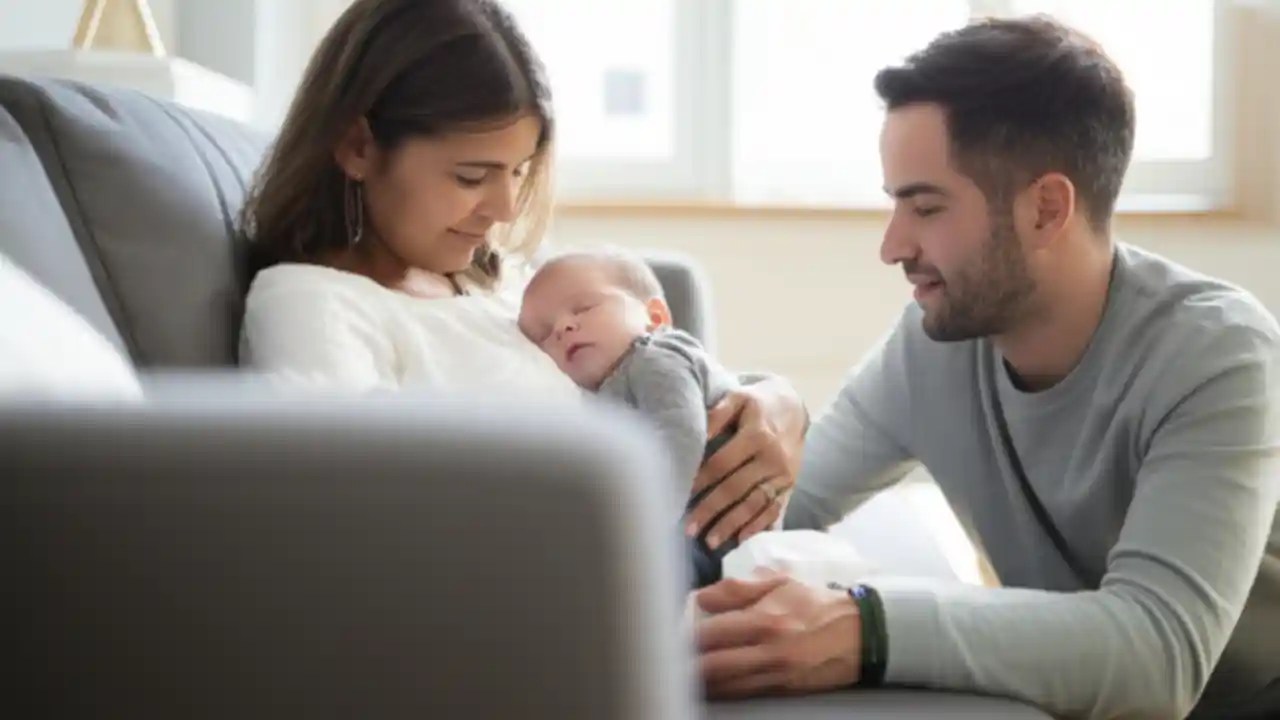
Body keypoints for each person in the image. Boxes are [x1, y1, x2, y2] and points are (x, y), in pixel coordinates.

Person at [693, 16, 1280, 720]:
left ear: (1046, 209)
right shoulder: (934, 344)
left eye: (926, 206)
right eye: (895, 205)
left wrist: (865, 629)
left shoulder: (1218, 353)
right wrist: (770, 401)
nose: (892, 246)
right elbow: (778, 507)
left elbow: (1160, 656)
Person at [237, 0, 805, 551]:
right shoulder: (312, 304)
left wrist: (779, 401)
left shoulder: (498, 281)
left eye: (518, 172)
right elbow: (353, 519)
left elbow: (646, 363)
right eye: (470, 176)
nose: (506, 209)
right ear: (358, 147)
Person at [519, 248, 769, 587]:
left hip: (719, 523)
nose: (563, 327)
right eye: (543, 334)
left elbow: (680, 435)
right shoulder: (595, 391)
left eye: (584, 308)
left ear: (655, 316)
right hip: (691, 522)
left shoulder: (655, 357)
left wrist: (645, 525)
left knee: (646, 572)